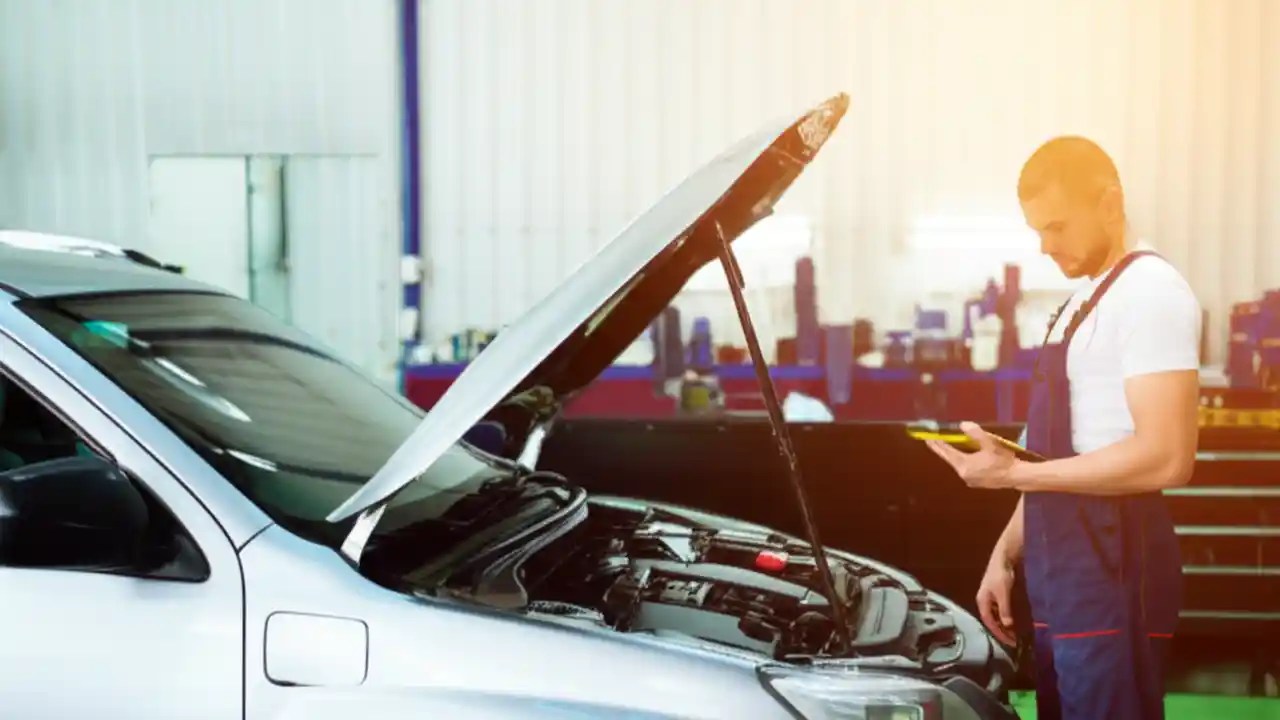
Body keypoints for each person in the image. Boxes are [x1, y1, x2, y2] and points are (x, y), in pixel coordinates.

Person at [926, 136, 1201, 720]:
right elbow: (1051, 459)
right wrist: (1004, 555)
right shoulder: (1082, 300)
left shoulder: (1150, 293)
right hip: (1063, 567)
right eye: (1037, 232)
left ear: (1110, 203)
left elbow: (1167, 457)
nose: (1046, 247)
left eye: (1057, 227)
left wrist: (1011, 475)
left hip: (1114, 564)